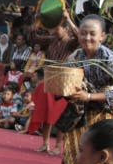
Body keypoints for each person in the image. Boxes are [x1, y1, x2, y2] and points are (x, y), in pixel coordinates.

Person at [60, 15, 113, 164]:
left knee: (96, 155)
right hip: (78, 111)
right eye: (83, 33)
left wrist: (89, 96)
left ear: (102, 36)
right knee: (73, 152)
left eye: (92, 34)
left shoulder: (111, 59)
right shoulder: (75, 56)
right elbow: (65, 80)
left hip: (102, 111)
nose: (87, 38)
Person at [27, 10, 79, 152]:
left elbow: (81, 38)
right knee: (45, 111)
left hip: (64, 81)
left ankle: (58, 145)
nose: (54, 32)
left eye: (58, 29)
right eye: (53, 29)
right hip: (49, 78)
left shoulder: (71, 43)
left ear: (66, 29)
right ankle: (45, 143)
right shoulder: (51, 40)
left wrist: (68, 18)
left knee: (61, 114)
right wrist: (36, 24)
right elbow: (34, 39)